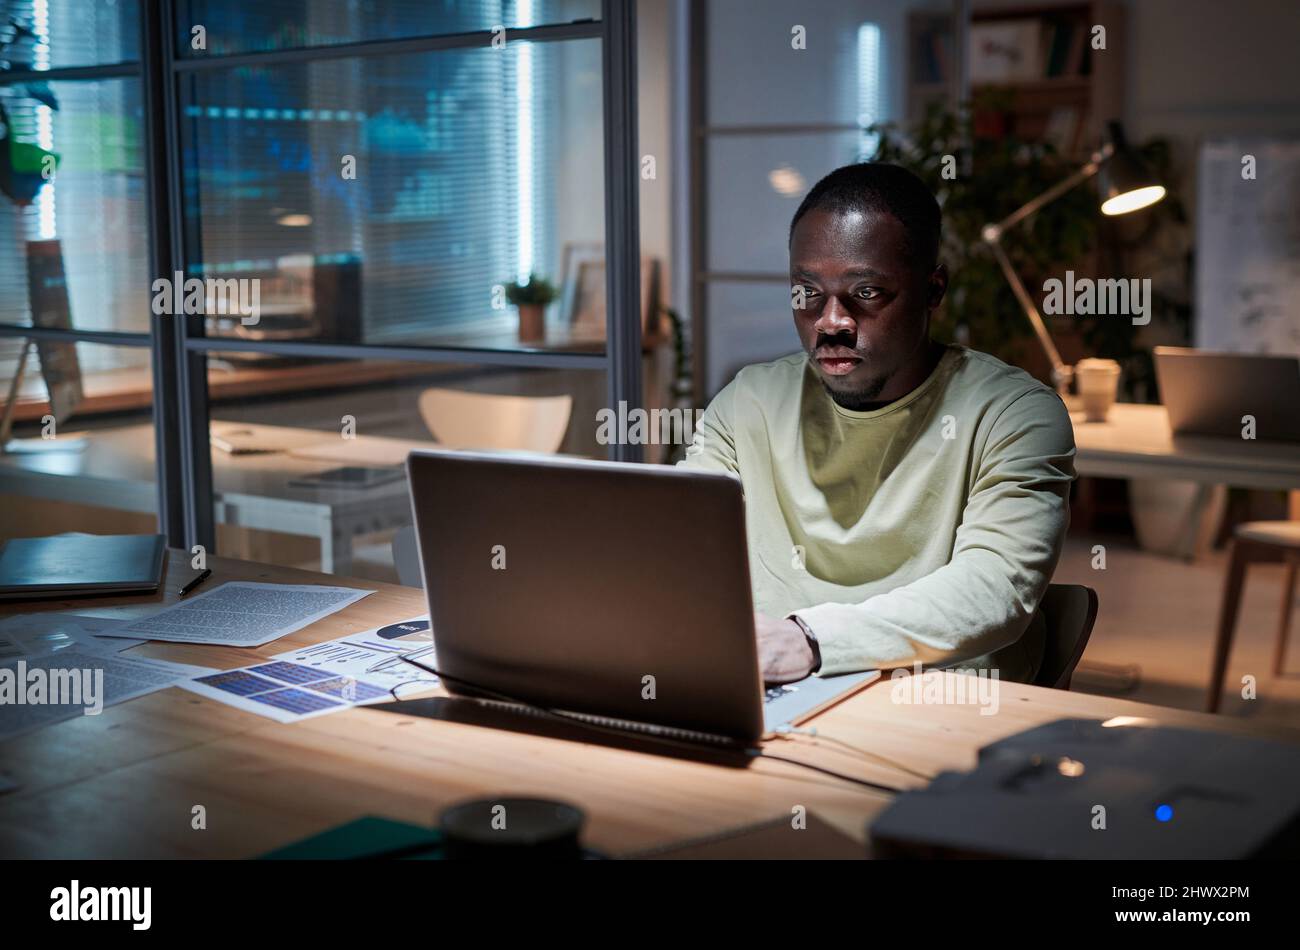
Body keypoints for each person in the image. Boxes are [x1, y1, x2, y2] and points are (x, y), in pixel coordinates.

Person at [681, 162, 1076, 684]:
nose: (831, 322)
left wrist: (811, 641)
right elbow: (682, 541)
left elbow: (996, 587)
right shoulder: (748, 402)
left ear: (933, 290)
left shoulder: (1012, 414)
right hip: (773, 692)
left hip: (941, 703)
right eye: (808, 291)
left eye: (866, 293)